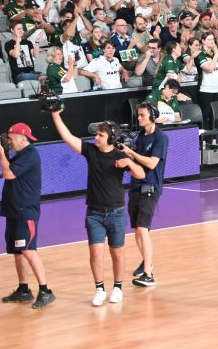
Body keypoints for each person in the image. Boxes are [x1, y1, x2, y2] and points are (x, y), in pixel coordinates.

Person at [51, 108, 145, 306]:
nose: (96, 137)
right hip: (94, 213)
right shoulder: (91, 152)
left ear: (110, 138)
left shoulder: (120, 156)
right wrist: (55, 114)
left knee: (117, 252)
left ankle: (118, 288)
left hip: (117, 212)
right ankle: (100, 289)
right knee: (95, 253)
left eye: (100, 135)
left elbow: (141, 174)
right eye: (96, 134)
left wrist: (128, 161)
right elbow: (68, 137)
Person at [0, 122, 55, 308]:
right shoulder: (20, 154)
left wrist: (1, 154)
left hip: (25, 211)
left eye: (11, 139)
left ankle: (45, 291)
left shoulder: (30, 154)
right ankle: (23, 290)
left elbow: (9, 174)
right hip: (14, 211)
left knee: (28, 250)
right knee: (17, 251)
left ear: (22, 138)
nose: (9, 142)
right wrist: (5, 153)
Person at [122, 102, 169, 288]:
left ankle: (148, 274)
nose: (139, 118)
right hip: (135, 186)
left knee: (142, 229)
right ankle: (145, 262)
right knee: (137, 231)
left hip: (150, 188)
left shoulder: (160, 138)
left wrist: (131, 153)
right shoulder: (138, 137)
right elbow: (133, 162)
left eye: (142, 115)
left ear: (153, 116)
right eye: (138, 115)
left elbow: (151, 163)